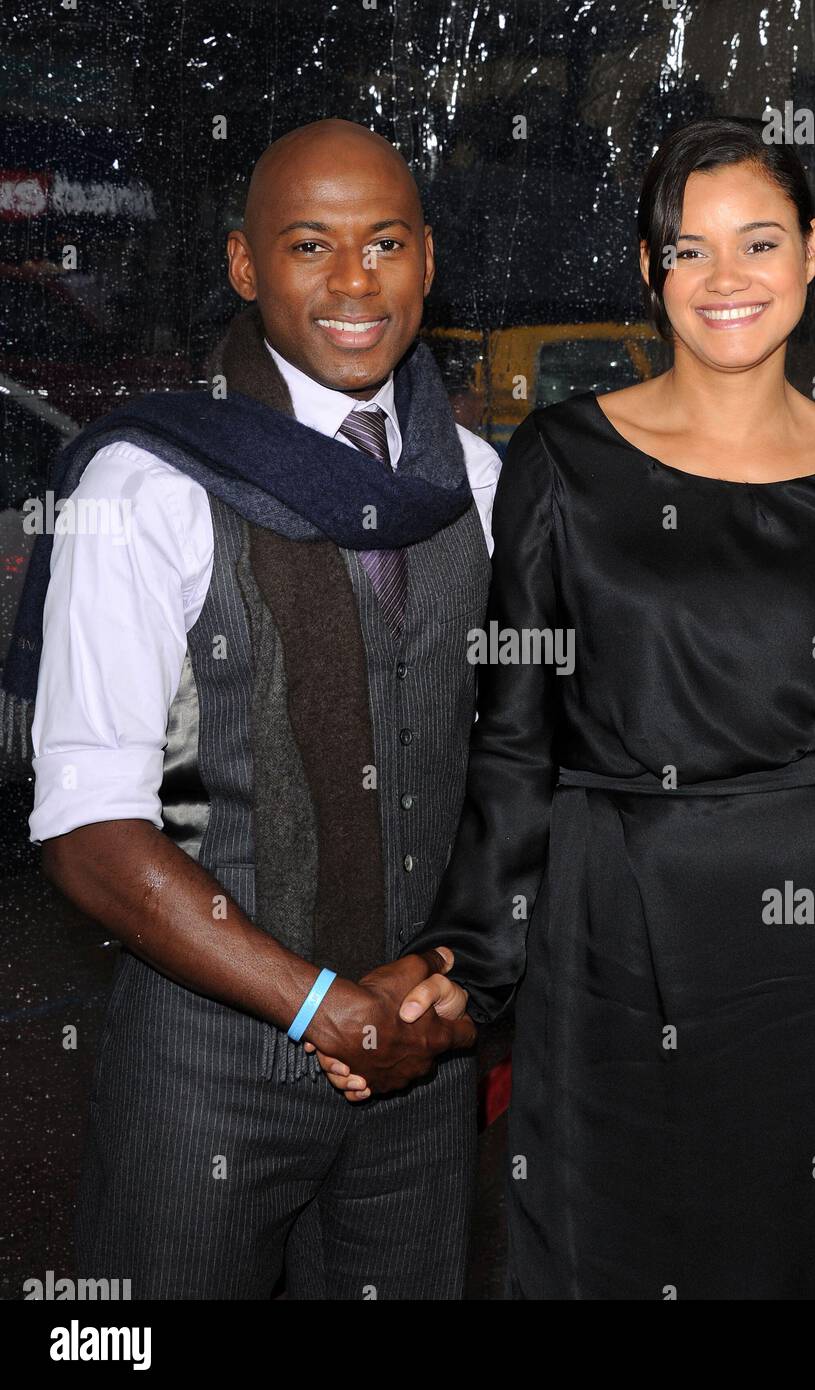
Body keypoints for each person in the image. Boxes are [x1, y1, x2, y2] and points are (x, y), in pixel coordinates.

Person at [386, 117, 815, 1299]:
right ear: (648, 269)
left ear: (814, 251)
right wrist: (464, 958)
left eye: (758, 243)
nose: (726, 281)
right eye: (689, 250)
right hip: (607, 943)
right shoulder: (560, 459)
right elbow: (514, 740)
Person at [2, 120, 487, 1299]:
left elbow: (516, 773)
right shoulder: (147, 485)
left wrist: (449, 977)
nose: (354, 282)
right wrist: (322, 1006)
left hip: (422, 1060)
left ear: (427, 257)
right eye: (309, 245)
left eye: (384, 243)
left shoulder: (476, 480)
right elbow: (86, 825)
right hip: (208, 1065)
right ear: (242, 266)